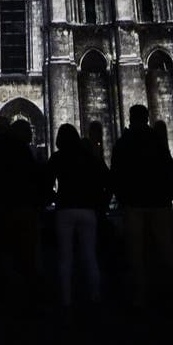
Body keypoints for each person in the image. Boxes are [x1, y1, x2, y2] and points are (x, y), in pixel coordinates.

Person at [111, 104, 173, 309]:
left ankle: (139, 297)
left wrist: (122, 198)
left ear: (131, 118)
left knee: (136, 251)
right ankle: (171, 297)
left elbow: (116, 172)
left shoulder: (124, 142)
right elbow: (169, 169)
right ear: (147, 118)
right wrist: (168, 196)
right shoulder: (158, 140)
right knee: (165, 249)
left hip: (134, 203)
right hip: (159, 202)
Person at [47, 123, 110, 313]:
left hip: (65, 209)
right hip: (87, 209)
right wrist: (101, 202)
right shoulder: (88, 157)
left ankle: (66, 301)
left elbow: (46, 183)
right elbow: (105, 178)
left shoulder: (57, 157)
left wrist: (55, 198)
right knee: (90, 256)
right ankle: (95, 297)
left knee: (65, 257)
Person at [0, 116, 42, 314]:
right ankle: (28, 298)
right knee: (25, 255)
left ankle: (0, 298)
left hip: (0, 209)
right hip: (23, 208)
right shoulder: (22, 150)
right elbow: (35, 178)